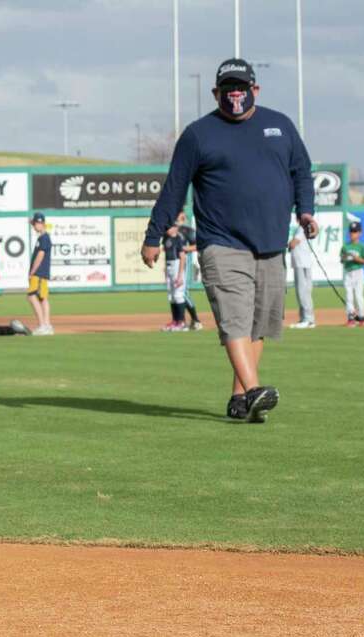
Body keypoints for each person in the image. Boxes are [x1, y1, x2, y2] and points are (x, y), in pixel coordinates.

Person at [142, 58, 316, 424]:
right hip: (221, 242)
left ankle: (240, 399)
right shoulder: (198, 134)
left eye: (241, 87)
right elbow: (174, 189)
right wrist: (153, 235)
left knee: (258, 324)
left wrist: (306, 211)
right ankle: (254, 391)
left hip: (271, 244)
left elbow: (302, 172)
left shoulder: (281, 126)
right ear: (215, 93)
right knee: (235, 320)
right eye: (227, 89)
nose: (235, 94)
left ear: (255, 90)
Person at [26, 211, 54, 335]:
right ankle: (47, 325)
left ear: (40, 223)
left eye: (35, 223)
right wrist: (31, 222)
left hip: (39, 273)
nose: (34, 226)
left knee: (31, 296)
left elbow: (40, 255)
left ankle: (43, 325)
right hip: (42, 273)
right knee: (42, 298)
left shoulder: (44, 238)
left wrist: (32, 271)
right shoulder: (44, 237)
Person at [160, 218, 191, 331]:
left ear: (175, 228)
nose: (167, 229)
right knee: (171, 296)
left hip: (177, 265)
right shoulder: (166, 238)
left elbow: (182, 257)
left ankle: (182, 323)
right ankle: (175, 321)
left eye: (170, 227)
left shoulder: (179, 239)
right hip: (169, 266)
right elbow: (165, 254)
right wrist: (165, 271)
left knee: (178, 295)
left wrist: (180, 276)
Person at [339, 221, 364, 327]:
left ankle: (362, 318)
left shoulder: (362, 247)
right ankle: (351, 318)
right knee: (349, 296)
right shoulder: (345, 246)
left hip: (358, 272)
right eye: (351, 231)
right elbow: (341, 260)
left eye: (355, 231)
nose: (353, 234)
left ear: (360, 233)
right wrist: (345, 257)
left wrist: (357, 259)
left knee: (359, 295)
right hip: (348, 272)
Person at [287, 220, 316, 328]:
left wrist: (287, 244)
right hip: (303, 262)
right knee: (305, 291)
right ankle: (305, 318)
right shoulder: (303, 228)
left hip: (301, 262)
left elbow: (294, 243)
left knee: (302, 291)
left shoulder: (301, 228)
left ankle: (308, 319)